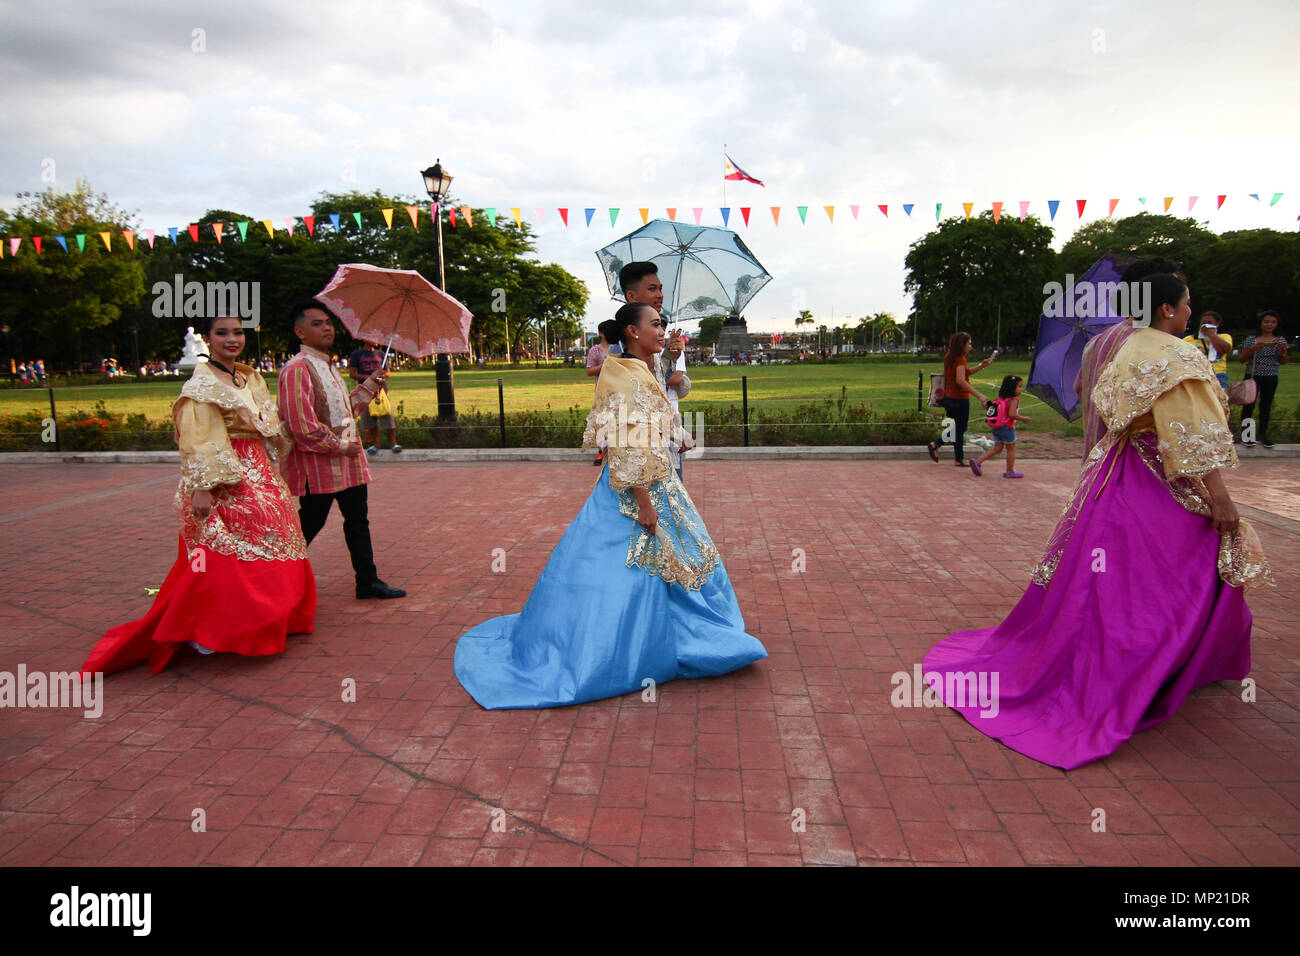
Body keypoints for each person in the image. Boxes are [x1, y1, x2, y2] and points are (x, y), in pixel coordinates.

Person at [924, 272, 1271, 769]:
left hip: (1115, 476)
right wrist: (1220, 496)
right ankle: (1139, 672)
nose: (1191, 312)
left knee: (1097, 578)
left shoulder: (1121, 348)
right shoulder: (1177, 354)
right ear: (1168, 309)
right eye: (1187, 304)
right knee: (1173, 580)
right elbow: (1190, 433)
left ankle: (1096, 660)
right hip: (1159, 481)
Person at [453, 301, 767, 709]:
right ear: (633, 332)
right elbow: (624, 443)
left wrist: (679, 433)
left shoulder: (637, 368)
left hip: (659, 482)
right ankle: (640, 647)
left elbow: (653, 417)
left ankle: (678, 635)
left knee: (667, 564)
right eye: (655, 323)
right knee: (637, 568)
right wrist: (644, 505)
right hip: (639, 491)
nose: (662, 329)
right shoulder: (623, 374)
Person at [80, 315, 315, 676]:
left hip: (261, 470)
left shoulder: (249, 376)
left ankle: (272, 618)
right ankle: (210, 627)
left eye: (237, 332)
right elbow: (199, 437)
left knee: (278, 537)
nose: (232, 339)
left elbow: (270, 421)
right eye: (222, 333)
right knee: (223, 551)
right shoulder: (201, 384)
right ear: (208, 339)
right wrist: (203, 487)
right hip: (226, 475)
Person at [278, 301, 406, 600]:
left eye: (328, 323)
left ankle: (367, 581)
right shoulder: (297, 370)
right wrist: (340, 447)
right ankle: (273, 574)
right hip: (319, 466)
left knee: (358, 522)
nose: (327, 327)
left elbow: (344, 411)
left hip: (348, 463)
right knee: (310, 523)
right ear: (300, 332)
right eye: (317, 323)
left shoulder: (327, 366)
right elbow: (301, 426)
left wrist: (372, 385)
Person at [1075, 257, 1182, 458]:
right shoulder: (1157, 346)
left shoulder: (1096, 343)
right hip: (1140, 470)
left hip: (1097, 465)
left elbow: (1082, 390)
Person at [620, 261, 692, 480]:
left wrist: (670, 356)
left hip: (665, 440)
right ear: (632, 296)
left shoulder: (654, 343)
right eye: (652, 289)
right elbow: (636, 405)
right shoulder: (620, 349)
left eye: (660, 288)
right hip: (641, 450)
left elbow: (660, 384)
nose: (660, 295)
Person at [927, 332, 994, 466]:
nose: (970, 346)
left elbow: (964, 373)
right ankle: (939, 446)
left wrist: (981, 365)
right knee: (960, 428)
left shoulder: (950, 358)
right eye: (968, 343)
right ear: (962, 345)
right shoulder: (960, 359)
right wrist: (980, 395)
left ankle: (955, 456)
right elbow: (961, 380)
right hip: (960, 398)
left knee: (958, 428)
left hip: (949, 397)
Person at [1238, 309, 1288, 448]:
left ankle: (1263, 435)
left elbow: (1283, 361)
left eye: (1273, 322)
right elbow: (1242, 359)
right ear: (1260, 323)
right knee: (1249, 405)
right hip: (1253, 375)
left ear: (1277, 324)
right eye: (1266, 322)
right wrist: (1253, 349)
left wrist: (1283, 350)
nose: (1269, 325)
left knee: (1265, 406)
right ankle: (1246, 436)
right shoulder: (1251, 340)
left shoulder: (1280, 340)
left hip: (1271, 375)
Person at [970, 375, 1030, 477]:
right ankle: (1010, 471)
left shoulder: (1000, 399)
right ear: (1012, 388)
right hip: (1007, 427)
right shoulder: (1013, 400)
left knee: (997, 448)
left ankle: (978, 461)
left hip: (996, 427)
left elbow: (991, 409)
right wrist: (1023, 418)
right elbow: (1012, 414)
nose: (1021, 389)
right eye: (1019, 386)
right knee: (1011, 449)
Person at [349, 338, 401, 454]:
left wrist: (382, 376)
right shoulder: (357, 354)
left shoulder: (381, 354)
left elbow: (388, 372)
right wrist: (369, 378)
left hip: (381, 389)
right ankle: (375, 443)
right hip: (366, 389)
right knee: (368, 417)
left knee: (387, 414)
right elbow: (352, 374)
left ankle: (393, 443)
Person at [586, 319, 619, 466]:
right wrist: (604, 365)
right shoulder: (595, 350)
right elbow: (589, 370)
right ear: (601, 334)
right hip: (602, 392)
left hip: (619, 391)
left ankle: (615, 451)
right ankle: (601, 451)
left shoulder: (619, 348)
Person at [1184, 310, 1233, 390]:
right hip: (1197, 374)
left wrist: (1211, 335)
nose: (1205, 325)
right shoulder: (1190, 339)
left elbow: (1225, 349)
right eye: (1203, 323)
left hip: (1218, 374)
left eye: (1209, 322)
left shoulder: (1224, 337)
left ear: (1217, 324)